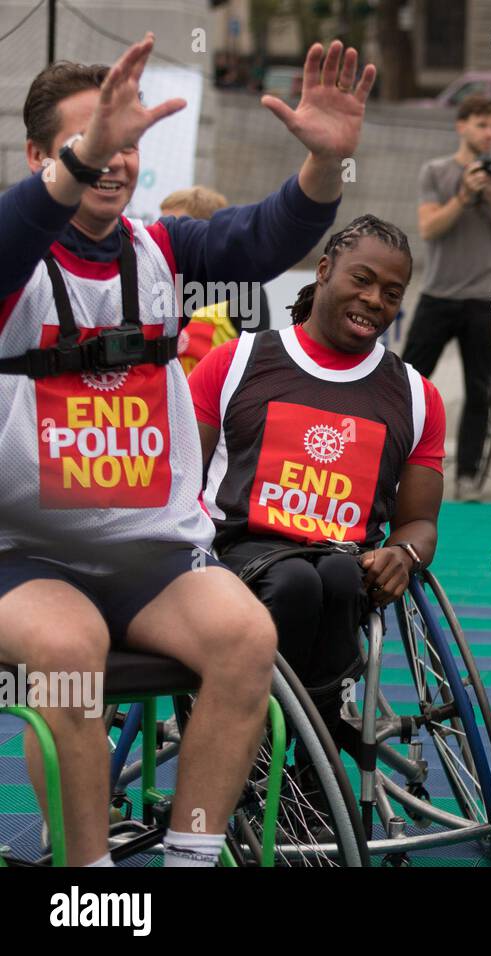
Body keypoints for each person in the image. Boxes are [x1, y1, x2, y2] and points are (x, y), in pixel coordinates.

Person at [0, 34, 374, 867]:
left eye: (127, 143)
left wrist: (323, 167)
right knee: (67, 656)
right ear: (39, 154)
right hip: (24, 560)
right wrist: (77, 160)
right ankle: (91, 888)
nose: (115, 159)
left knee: (246, 633)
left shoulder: (163, 250)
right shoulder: (14, 262)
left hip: (151, 560)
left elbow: (265, 237)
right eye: (94, 140)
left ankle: (192, 858)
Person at [190, 215, 445, 750]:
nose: (376, 299)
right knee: (297, 582)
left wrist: (404, 553)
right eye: (363, 280)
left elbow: (419, 522)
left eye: (392, 292)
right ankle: (299, 745)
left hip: (344, 567)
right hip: (238, 555)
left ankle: (297, 746)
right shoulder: (235, 363)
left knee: (330, 574)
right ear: (325, 270)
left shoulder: (417, 396)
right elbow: (178, 480)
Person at [404, 94, 491, 501]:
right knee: (408, 383)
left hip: (481, 299)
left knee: (479, 390)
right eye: (482, 125)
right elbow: (429, 229)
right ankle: (395, 464)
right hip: (437, 295)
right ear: (461, 126)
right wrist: (463, 197)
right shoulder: (435, 172)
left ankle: (468, 477)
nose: (489, 133)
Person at [158, 185, 273, 374]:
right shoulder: (156, 281)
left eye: (174, 226)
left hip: (216, 401)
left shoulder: (245, 288)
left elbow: (257, 365)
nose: (164, 234)